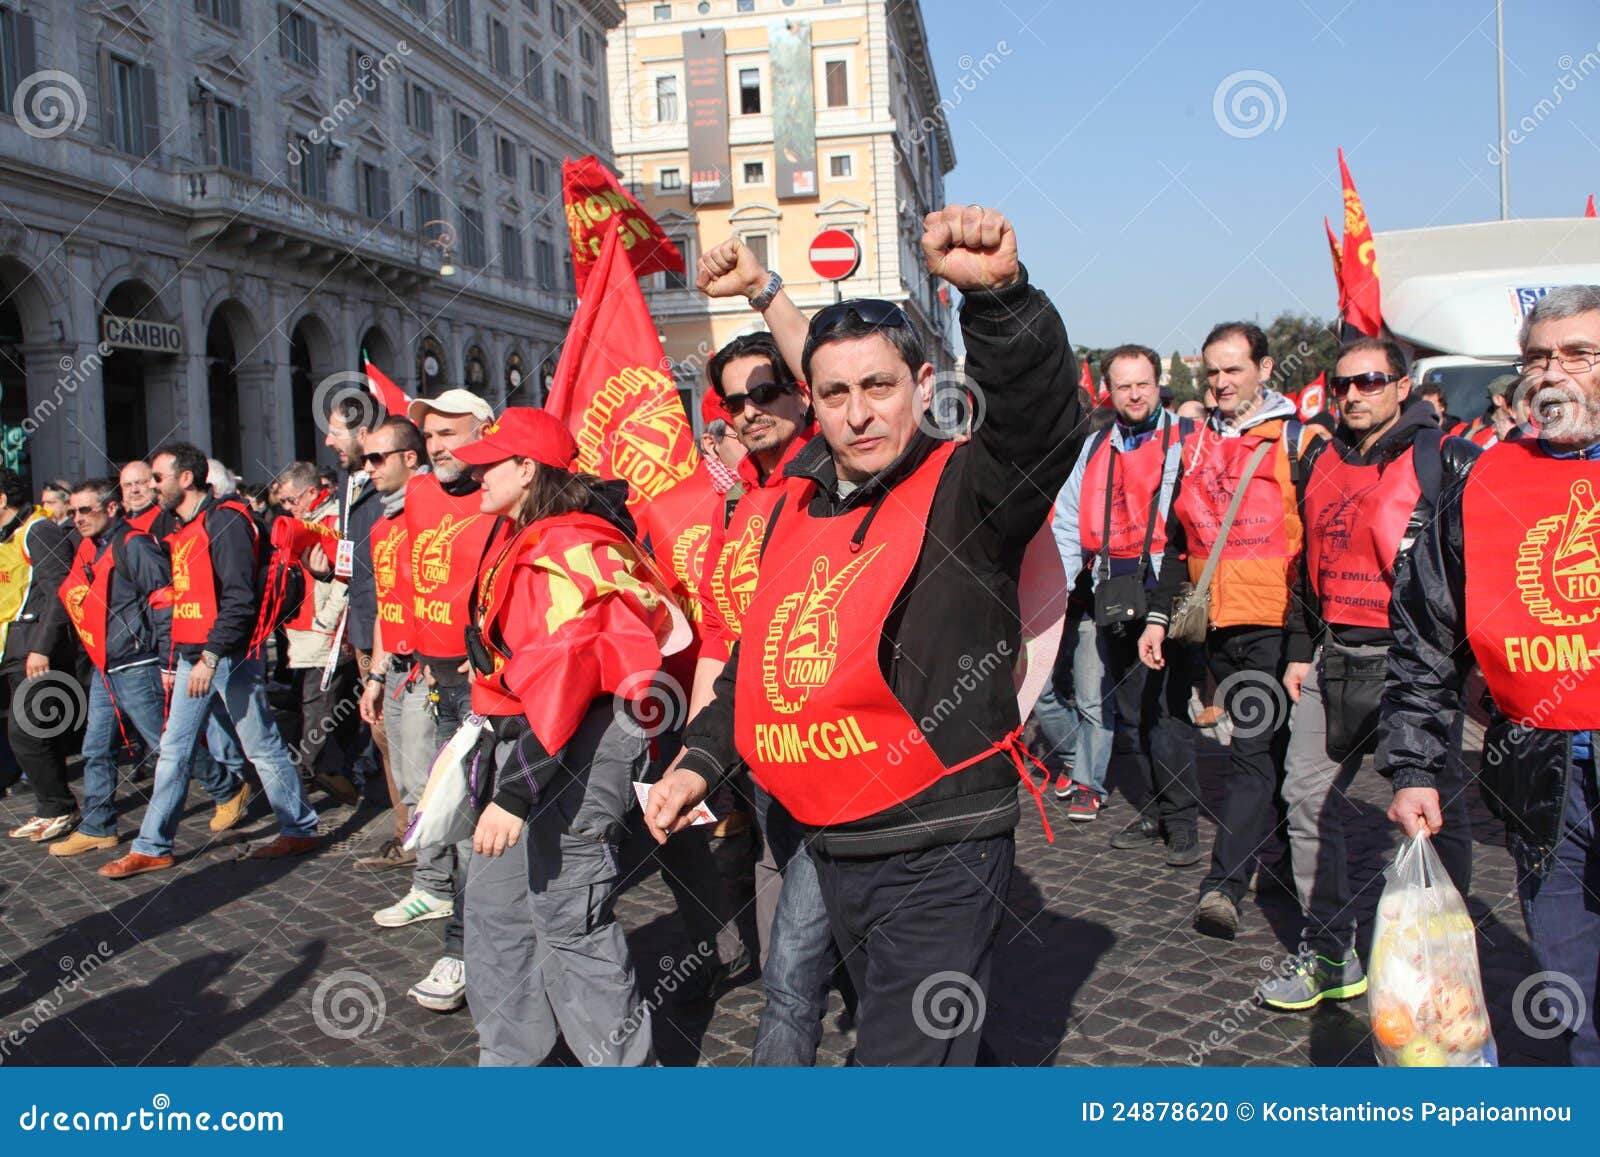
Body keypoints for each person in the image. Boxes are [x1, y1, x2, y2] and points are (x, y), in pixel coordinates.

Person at [649, 204, 1083, 1065]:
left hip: (938, 846)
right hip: (830, 839)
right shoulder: (794, 507)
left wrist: (1000, 300)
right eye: (837, 394)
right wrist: (698, 760)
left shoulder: (970, 490)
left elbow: (1039, 417)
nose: (858, 413)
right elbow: (757, 667)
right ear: (814, 404)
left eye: (880, 386)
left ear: (924, 389)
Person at [1381, 285, 1600, 1065]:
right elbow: (1422, 636)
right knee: (1573, 992)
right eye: (1538, 356)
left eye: (1579, 354)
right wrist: (1412, 765)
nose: (1554, 372)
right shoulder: (1479, 482)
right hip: (1548, 784)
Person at [455, 407, 680, 1066]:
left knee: (566, 913)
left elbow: (565, 674)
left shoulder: (564, 544)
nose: (474, 475)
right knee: (496, 908)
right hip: (532, 735)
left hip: (579, 739)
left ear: (528, 469)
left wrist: (514, 792)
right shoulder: (529, 534)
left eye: (488, 462)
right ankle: (512, 1063)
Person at [1258, 338, 1477, 1011]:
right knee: (1303, 797)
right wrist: (1301, 646)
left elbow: (1468, 570)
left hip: (1416, 662)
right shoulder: (1321, 458)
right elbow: (1306, 564)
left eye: (1371, 380)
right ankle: (1329, 952)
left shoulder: (1442, 459)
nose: (1354, 394)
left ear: (1402, 385)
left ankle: (1440, 958)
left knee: (1434, 815)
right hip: (1333, 656)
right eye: (1342, 383)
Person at [1140, 321, 1326, 940]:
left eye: (1233, 370)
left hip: (1273, 624)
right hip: (1215, 622)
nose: (1220, 383)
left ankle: (1222, 888)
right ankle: (1270, 855)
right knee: (1263, 749)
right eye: (1212, 372)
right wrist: (1162, 616)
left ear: (1265, 369)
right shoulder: (1195, 445)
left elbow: (1313, 551)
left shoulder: (1297, 442)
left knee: (1249, 752)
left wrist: (1300, 645)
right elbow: (1175, 540)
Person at [100, 442, 321, 878]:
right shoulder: (180, 524)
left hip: (226, 656)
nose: (150, 487)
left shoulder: (226, 521)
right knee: (173, 752)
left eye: (157, 478)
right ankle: (153, 845)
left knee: (261, 745)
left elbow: (239, 598)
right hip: (192, 655)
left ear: (186, 478)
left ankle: (300, 826)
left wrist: (211, 656)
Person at [1050, 344, 1201, 861]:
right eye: (1124, 386)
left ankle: (1182, 822)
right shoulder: (1093, 449)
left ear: (1158, 384)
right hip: (1110, 592)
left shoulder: (1187, 439)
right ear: (1108, 391)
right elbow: (1069, 525)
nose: (1134, 394)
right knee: (1132, 715)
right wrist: (1059, 590)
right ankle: (1157, 809)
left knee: (1166, 713)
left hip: (1168, 589)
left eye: (1143, 383)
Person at [48, 479, 250, 856]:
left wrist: (167, 661)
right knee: (95, 749)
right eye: (73, 512)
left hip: (137, 662)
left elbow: (165, 602)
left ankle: (229, 788)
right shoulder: (90, 548)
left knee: (166, 744)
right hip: (105, 664)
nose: (77, 519)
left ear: (111, 509)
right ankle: (97, 825)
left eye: (85, 510)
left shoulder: (134, 544)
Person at [382, 388, 503, 1013]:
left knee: (481, 821)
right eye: (430, 438)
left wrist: (487, 638)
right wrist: (411, 654)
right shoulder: (423, 494)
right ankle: (468, 944)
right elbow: (413, 575)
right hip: (440, 683)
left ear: (485, 430)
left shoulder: (504, 493)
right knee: (452, 815)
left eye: (450, 434)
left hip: (495, 687)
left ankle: (469, 950)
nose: (437, 448)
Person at [355, 417, 428, 879]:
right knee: (404, 777)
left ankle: (442, 883)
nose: (369, 467)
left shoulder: (435, 513)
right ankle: (430, 873)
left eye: (378, 457)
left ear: (409, 458)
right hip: (395, 665)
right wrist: (377, 676)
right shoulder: (382, 521)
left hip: (428, 668)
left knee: (426, 782)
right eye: (366, 458)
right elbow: (388, 604)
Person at [273, 462, 360, 806]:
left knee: (319, 707)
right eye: (283, 502)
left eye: (291, 500)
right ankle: (332, 770)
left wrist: (328, 620)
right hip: (299, 629)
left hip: (324, 632)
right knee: (314, 705)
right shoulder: (299, 522)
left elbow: (345, 579)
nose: (287, 507)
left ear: (312, 492)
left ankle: (313, 773)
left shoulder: (336, 523)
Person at [0, 469, 77, 841]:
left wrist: (41, 647)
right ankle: (52, 806)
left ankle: (60, 808)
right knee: (32, 734)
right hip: (11, 650)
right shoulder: (9, 535)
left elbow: (59, 592)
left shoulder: (38, 530)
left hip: (35, 650)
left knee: (27, 733)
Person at [119, 460, 161, 533]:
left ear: (153, 483)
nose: (134, 490)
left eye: (140, 483)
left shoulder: (167, 517)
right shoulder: (118, 525)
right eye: (127, 485)